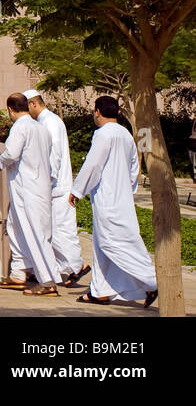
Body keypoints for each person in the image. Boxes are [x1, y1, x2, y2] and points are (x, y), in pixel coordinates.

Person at [70, 97, 158, 307]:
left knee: (112, 244)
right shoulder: (125, 134)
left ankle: (153, 282)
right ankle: (99, 291)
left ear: (98, 111)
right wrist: (125, 190)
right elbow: (134, 169)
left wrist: (77, 190)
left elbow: (93, 165)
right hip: (121, 199)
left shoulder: (103, 134)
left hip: (107, 200)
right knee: (102, 245)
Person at [0, 93, 60, 297]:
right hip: (37, 187)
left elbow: (12, 153)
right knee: (15, 228)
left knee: (35, 233)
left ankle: (48, 281)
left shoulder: (20, 127)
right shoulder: (41, 129)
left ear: (11, 109)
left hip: (28, 189)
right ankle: (19, 272)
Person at [25, 89, 90, 285]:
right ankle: (63, 268)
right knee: (53, 230)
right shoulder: (43, 121)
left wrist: (47, 180)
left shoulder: (50, 122)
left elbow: (54, 154)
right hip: (51, 187)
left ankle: (76, 267)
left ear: (33, 104)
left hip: (57, 187)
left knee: (61, 230)